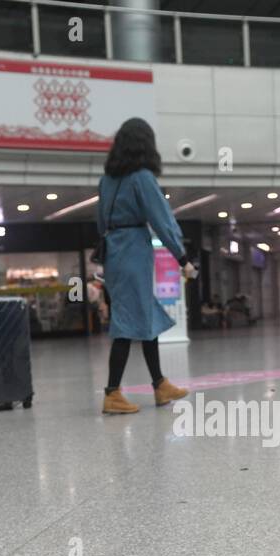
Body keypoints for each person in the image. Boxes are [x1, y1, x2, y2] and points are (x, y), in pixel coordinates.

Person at [95, 117, 193, 415]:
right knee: (126, 322)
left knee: (145, 315)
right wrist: (182, 257)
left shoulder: (106, 181)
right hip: (134, 251)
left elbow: (100, 221)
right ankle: (112, 393)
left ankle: (159, 384)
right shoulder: (142, 177)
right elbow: (161, 219)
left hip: (114, 250)